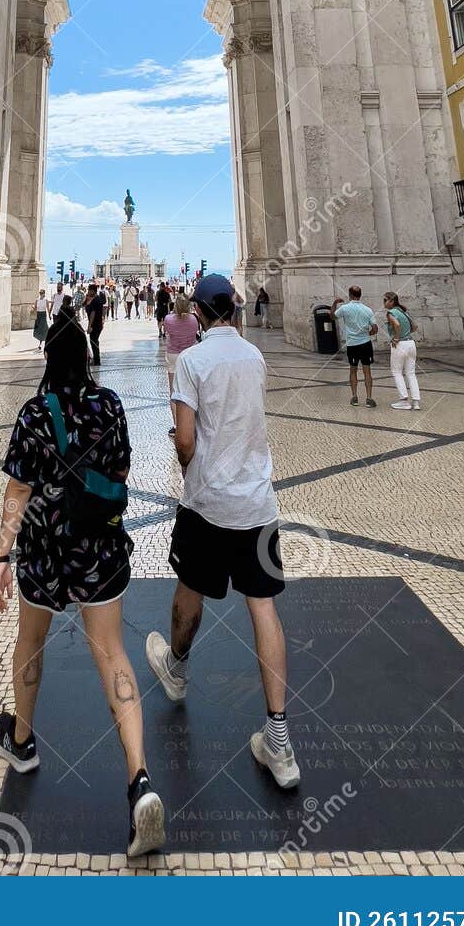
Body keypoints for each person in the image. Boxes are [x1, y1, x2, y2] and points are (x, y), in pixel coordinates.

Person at [0, 308, 165, 857]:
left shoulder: (32, 413)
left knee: (30, 644)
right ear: (88, 357)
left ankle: (22, 741)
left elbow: (16, 494)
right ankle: (140, 779)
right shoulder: (111, 405)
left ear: (47, 357)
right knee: (114, 654)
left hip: (43, 553)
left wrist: (2, 554)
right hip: (99, 550)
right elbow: (119, 476)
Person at [145, 273, 298, 790]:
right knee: (264, 607)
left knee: (190, 588)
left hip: (208, 503)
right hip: (257, 502)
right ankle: (278, 740)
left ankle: (178, 668)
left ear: (202, 316)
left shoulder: (192, 361)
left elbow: (186, 439)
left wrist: (188, 464)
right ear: (232, 310)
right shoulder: (254, 358)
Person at [333, 287, 378, 407]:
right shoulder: (368, 310)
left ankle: (354, 397)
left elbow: (332, 316)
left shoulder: (345, 308)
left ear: (350, 295)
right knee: (367, 370)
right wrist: (368, 334)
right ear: (360, 295)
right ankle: (369, 398)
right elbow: (375, 328)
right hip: (365, 343)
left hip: (352, 344)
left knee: (353, 370)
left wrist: (334, 303)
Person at [163, 291, 199, 436]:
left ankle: (177, 425)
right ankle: (193, 423)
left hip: (173, 355)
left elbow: (168, 334)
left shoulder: (168, 319)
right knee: (191, 389)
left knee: (174, 391)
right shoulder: (194, 319)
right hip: (190, 355)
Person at [384, 291, 420, 411]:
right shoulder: (403, 312)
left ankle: (404, 401)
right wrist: (405, 334)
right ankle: (416, 402)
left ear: (392, 301)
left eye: (385, 300)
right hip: (411, 343)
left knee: (397, 372)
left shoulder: (391, 313)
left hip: (400, 344)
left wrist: (396, 338)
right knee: (411, 373)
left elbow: (397, 325)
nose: (384, 303)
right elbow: (414, 327)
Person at [84, 281, 105, 368]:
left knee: (94, 341)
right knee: (94, 341)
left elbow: (93, 313)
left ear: (93, 291)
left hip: (95, 324)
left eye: (89, 290)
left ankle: (97, 360)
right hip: (98, 323)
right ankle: (96, 359)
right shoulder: (95, 299)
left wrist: (89, 326)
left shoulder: (96, 300)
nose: (88, 292)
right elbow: (83, 304)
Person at [32, 287, 49, 352]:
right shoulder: (37, 300)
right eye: (40, 293)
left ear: (44, 294)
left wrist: (49, 315)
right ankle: (41, 341)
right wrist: (33, 307)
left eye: (42, 293)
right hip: (38, 315)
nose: (41, 294)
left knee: (43, 328)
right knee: (38, 328)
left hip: (43, 314)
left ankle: (41, 343)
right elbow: (35, 307)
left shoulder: (46, 300)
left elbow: (47, 308)